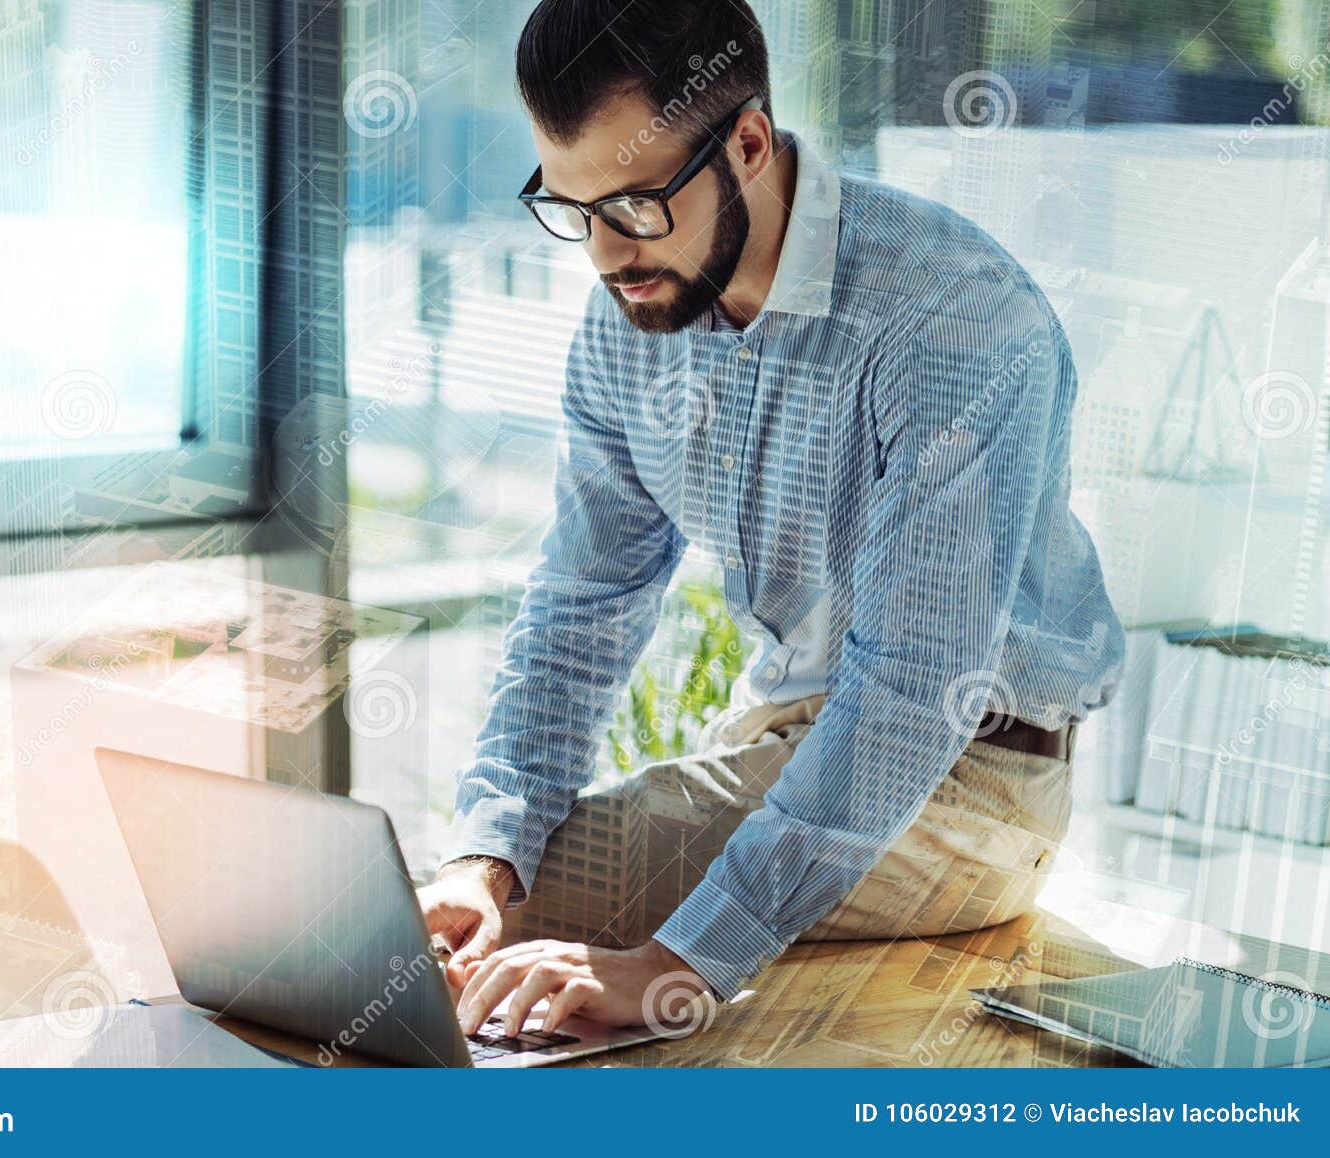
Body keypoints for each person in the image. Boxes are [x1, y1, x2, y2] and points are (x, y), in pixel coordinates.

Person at [417, 0, 1124, 1039]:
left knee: (452, 952)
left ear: (748, 142)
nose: (606, 254)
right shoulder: (630, 319)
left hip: (971, 785)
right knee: (455, 918)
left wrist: (672, 968)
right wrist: (485, 854)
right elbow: (578, 610)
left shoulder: (950, 319)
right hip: (780, 742)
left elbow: (908, 694)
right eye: (571, 207)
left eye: (636, 204)